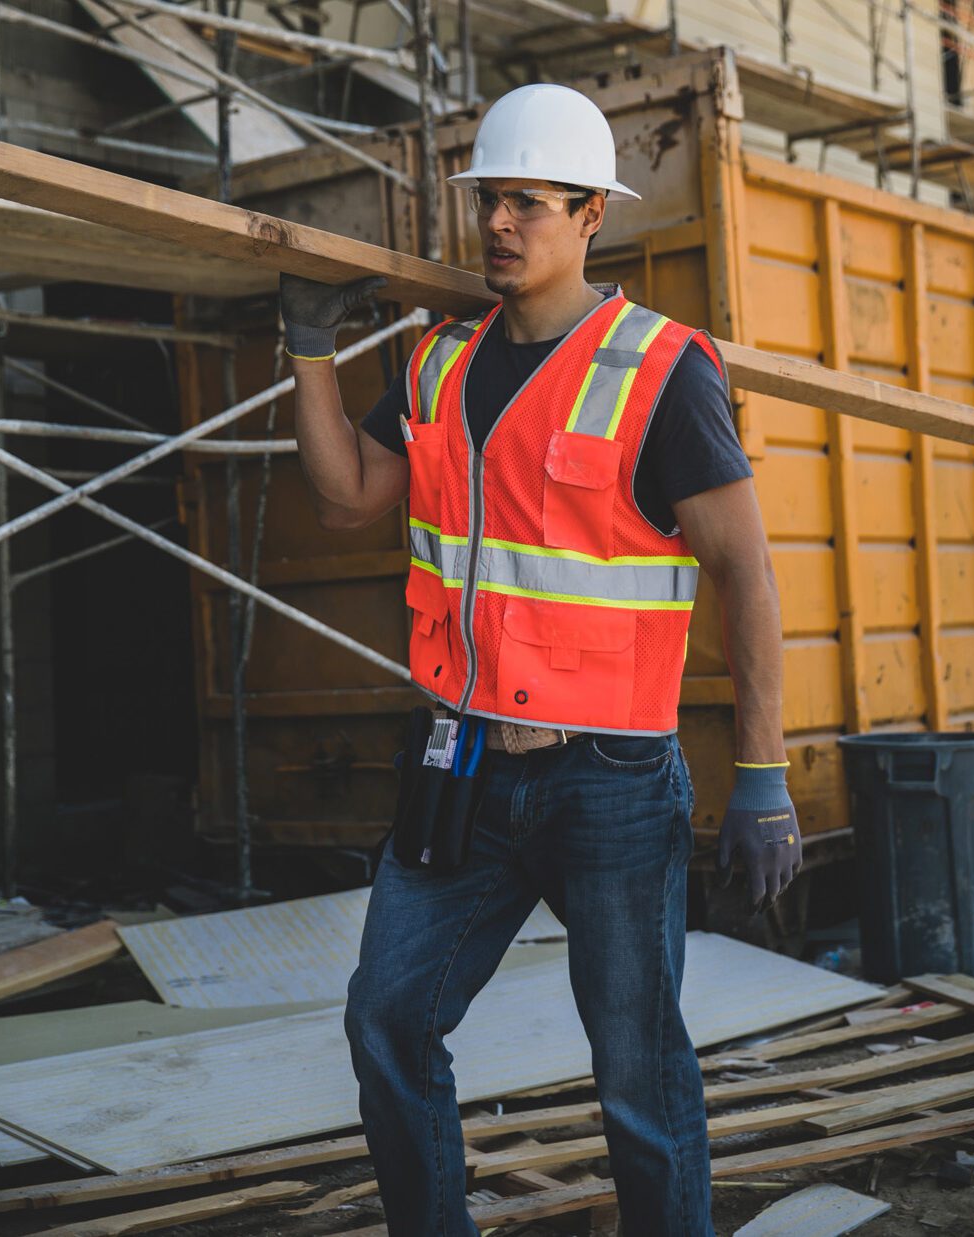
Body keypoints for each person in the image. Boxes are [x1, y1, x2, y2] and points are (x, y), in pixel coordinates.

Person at [283, 83, 800, 1237]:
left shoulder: (656, 369)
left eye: (526, 201)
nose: (499, 223)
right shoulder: (435, 362)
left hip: (606, 777)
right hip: (458, 759)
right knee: (386, 1019)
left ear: (588, 218)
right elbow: (346, 500)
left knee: (636, 1067)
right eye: (489, 201)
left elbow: (745, 574)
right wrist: (308, 350)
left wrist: (761, 777)